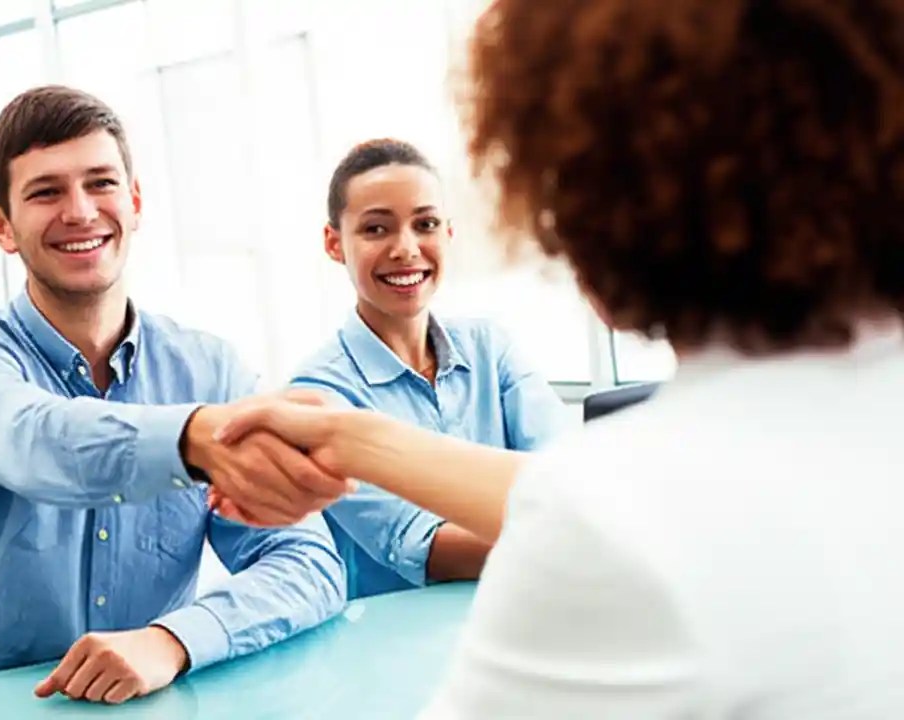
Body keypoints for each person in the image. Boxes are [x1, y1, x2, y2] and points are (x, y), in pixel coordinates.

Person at [213, 0, 904, 716]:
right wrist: (352, 438)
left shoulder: (606, 527)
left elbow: (576, 505)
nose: (405, 248)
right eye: (377, 228)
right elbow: (559, 489)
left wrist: (354, 444)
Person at [0, 85, 351, 705]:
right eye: (45, 192)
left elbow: (307, 562)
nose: (81, 211)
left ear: (136, 201)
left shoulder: (211, 370)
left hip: (148, 703)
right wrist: (196, 439)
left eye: (101, 183)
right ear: (2, 227)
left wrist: (172, 639)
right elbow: (43, 441)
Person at [288, 138, 568, 598]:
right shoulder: (318, 395)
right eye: (376, 229)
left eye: (426, 224)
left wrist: (572, 529)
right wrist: (564, 541)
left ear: (448, 234)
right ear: (334, 243)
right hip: (394, 646)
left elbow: (563, 480)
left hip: (525, 611)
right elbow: (422, 547)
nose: (406, 249)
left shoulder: (490, 350)